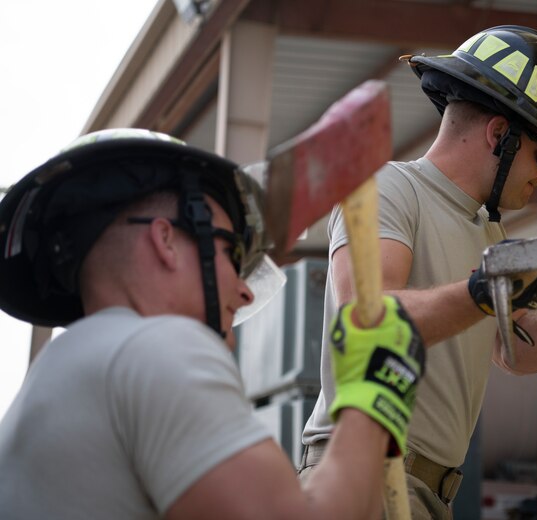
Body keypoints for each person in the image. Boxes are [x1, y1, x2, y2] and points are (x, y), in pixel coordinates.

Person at [0, 128, 425, 520]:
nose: (244, 293)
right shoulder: (156, 349)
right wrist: (372, 396)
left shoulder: (53, 376)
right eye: (230, 254)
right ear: (165, 241)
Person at [299, 25, 537, 518]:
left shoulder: (489, 232)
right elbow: (366, 319)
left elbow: (511, 350)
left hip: (427, 491)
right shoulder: (384, 189)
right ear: (499, 135)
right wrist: (482, 291)